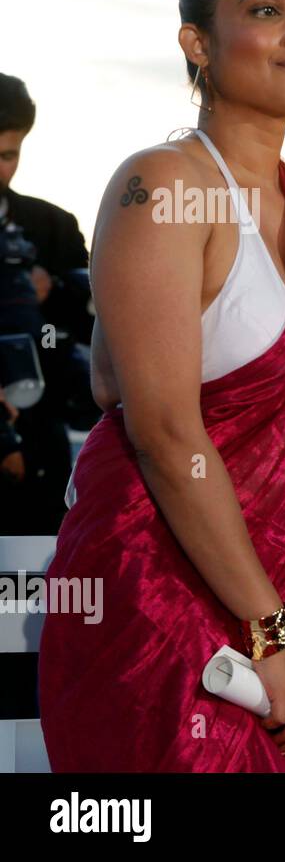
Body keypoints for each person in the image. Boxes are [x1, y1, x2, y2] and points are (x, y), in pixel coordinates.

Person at [38, 0, 285, 771]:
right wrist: (267, 631)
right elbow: (162, 429)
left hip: (280, 614)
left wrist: (280, 626)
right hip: (165, 604)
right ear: (197, 42)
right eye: (267, 10)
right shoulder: (164, 185)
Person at [0, 73, 90, 534]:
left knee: (31, 600)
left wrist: (52, 292)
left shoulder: (51, 226)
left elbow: (104, 331)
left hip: (40, 464)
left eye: (7, 156)